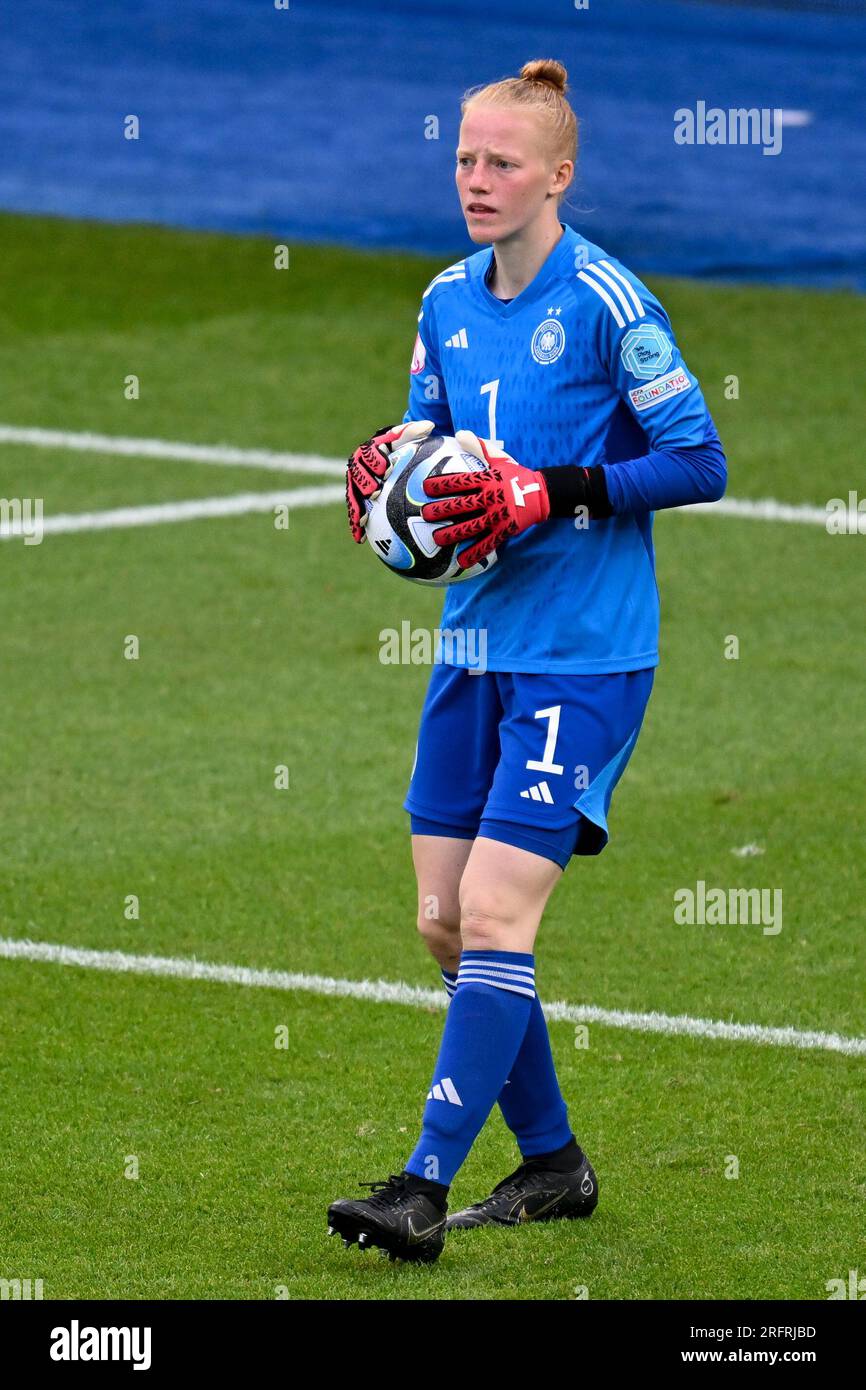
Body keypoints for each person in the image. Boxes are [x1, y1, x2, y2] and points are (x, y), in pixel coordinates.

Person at [333, 57, 726, 1264]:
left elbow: (697, 460)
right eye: (463, 158)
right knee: (447, 923)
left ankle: (419, 1185)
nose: (476, 179)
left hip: (584, 659)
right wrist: (387, 480)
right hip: (475, 645)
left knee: (501, 915)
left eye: (502, 162)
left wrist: (549, 488)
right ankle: (552, 1162)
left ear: (559, 174)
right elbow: (426, 438)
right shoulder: (444, 299)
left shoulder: (610, 301)